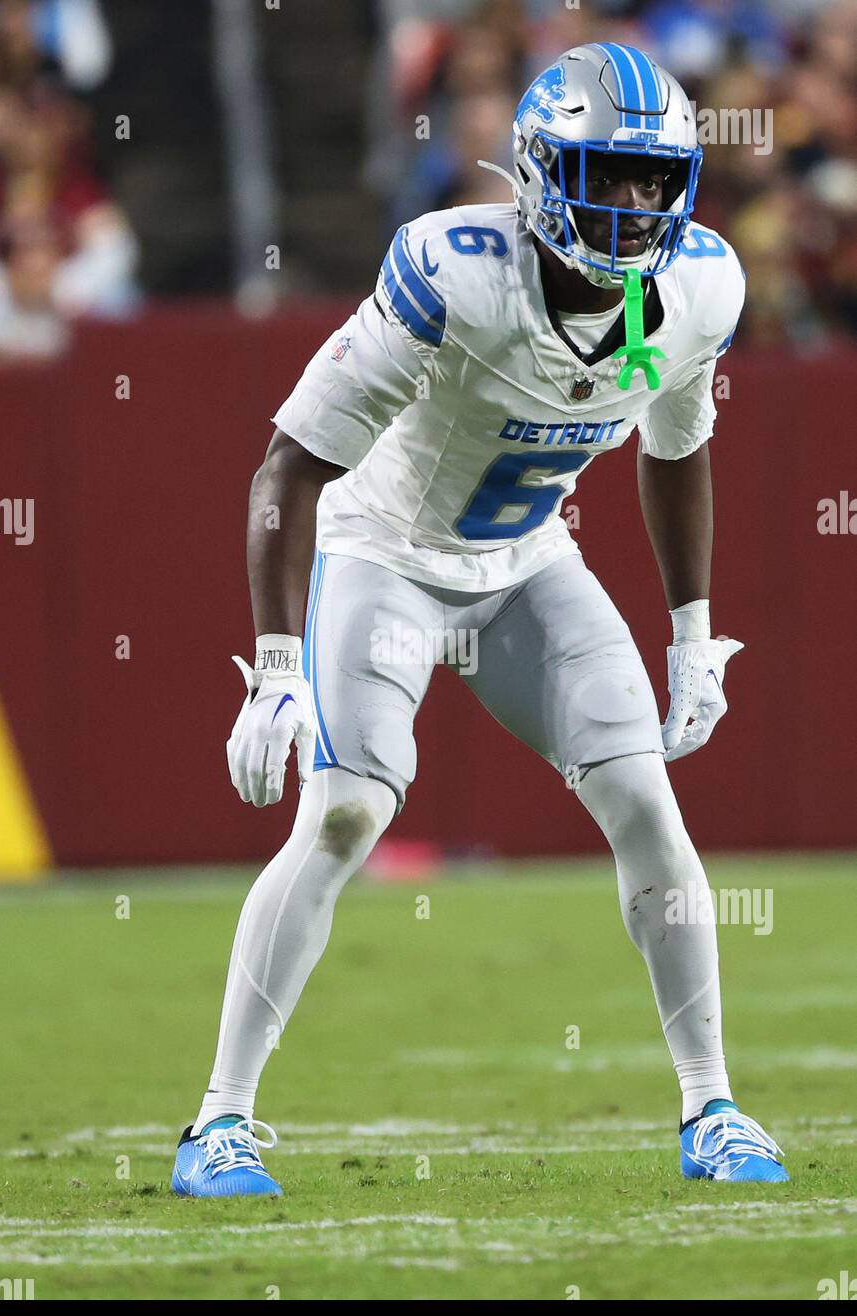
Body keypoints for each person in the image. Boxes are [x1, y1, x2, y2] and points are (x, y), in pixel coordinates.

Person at [172, 42, 788, 1197]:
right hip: (384, 555)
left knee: (646, 800)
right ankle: (219, 1121)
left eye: (655, 181)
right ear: (542, 170)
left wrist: (692, 628)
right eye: (609, 176)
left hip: (525, 562)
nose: (637, 206)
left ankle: (711, 1107)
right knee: (347, 810)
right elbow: (287, 467)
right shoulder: (450, 266)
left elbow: (677, 446)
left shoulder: (699, 284)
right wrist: (270, 667)